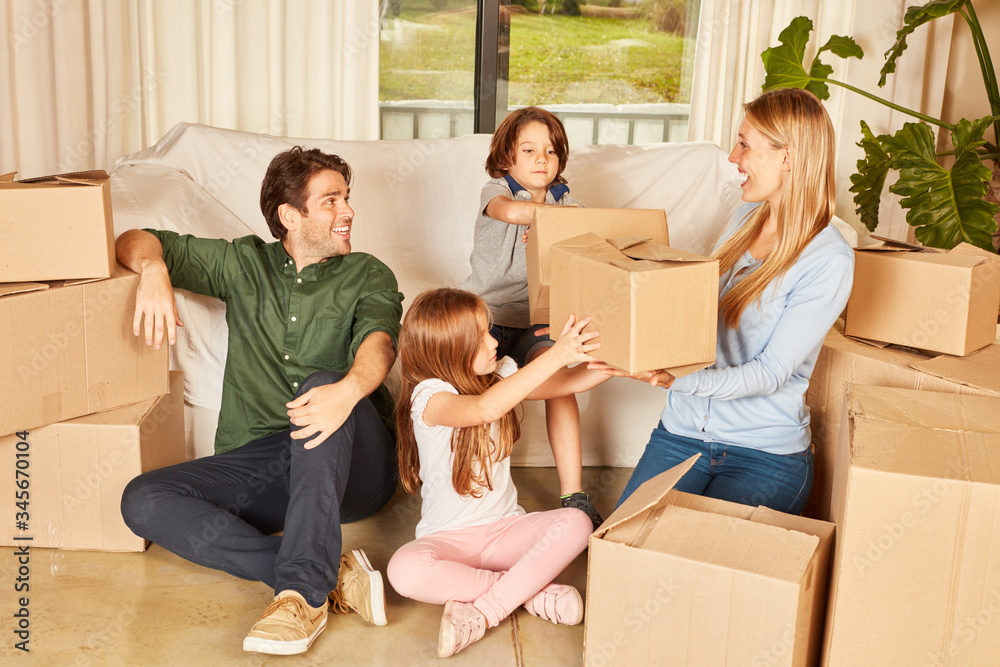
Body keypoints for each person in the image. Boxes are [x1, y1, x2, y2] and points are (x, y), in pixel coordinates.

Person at [116, 147, 404, 656]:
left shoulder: (368, 273)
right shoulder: (242, 263)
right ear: (290, 217)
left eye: (347, 198)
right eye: (331, 200)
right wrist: (155, 272)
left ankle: (301, 595)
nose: (348, 211)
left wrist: (347, 391)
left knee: (318, 383)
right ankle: (324, 571)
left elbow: (379, 343)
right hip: (268, 464)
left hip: (354, 464)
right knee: (141, 499)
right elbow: (134, 240)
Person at [605, 87, 854, 515]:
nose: (733, 158)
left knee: (706, 570)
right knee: (624, 552)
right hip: (681, 433)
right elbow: (697, 310)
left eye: (744, 144)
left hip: (764, 454)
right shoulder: (744, 217)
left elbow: (771, 373)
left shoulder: (829, 259)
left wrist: (673, 380)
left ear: (787, 158)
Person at [385, 288, 608, 658]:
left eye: (489, 330)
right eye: (480, 336)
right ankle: (532, 595)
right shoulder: (429, 397)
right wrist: (557, 354)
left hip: (505, 532)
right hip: (448, 543)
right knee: (403, 570)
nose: (494, 341)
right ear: (449, 347)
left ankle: (483, 610)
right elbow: (485, 409)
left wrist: (623, 366)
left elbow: (567, 383)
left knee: (577, 523)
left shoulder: (499, 374)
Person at [462, 106, 602, 529]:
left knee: (559, 379)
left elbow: (589, 234)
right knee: (473, 385)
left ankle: (574, 494)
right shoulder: (496, 191)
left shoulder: (566, 201)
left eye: (551, 152)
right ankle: (472, 488)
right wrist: (547, 220)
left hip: (538, 316)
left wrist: (561, 224)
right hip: (488, 317)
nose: (542, 160)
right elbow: (510, 212)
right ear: (507, 156)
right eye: (529, 150)